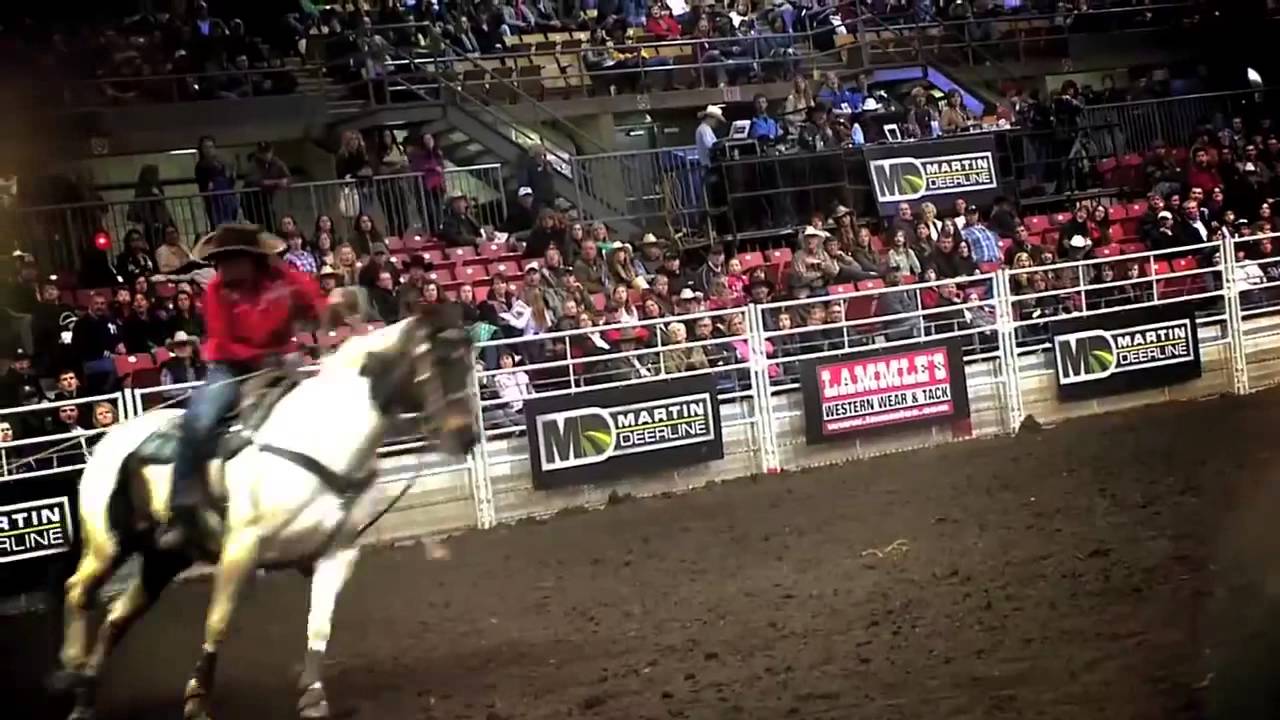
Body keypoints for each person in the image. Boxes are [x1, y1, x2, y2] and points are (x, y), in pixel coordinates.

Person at [157, 224, 331, 551]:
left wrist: (288, 273)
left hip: (278, 361)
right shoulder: (215, 291)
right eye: (221, 260)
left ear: (254, 259)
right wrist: (266, 357)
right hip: (230, 368)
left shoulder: (279, 282)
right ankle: (181, 511)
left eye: (232, 259)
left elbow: (314, 305)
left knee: (320, 411)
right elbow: (224, 341)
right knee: (198, 421)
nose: (224, 267)